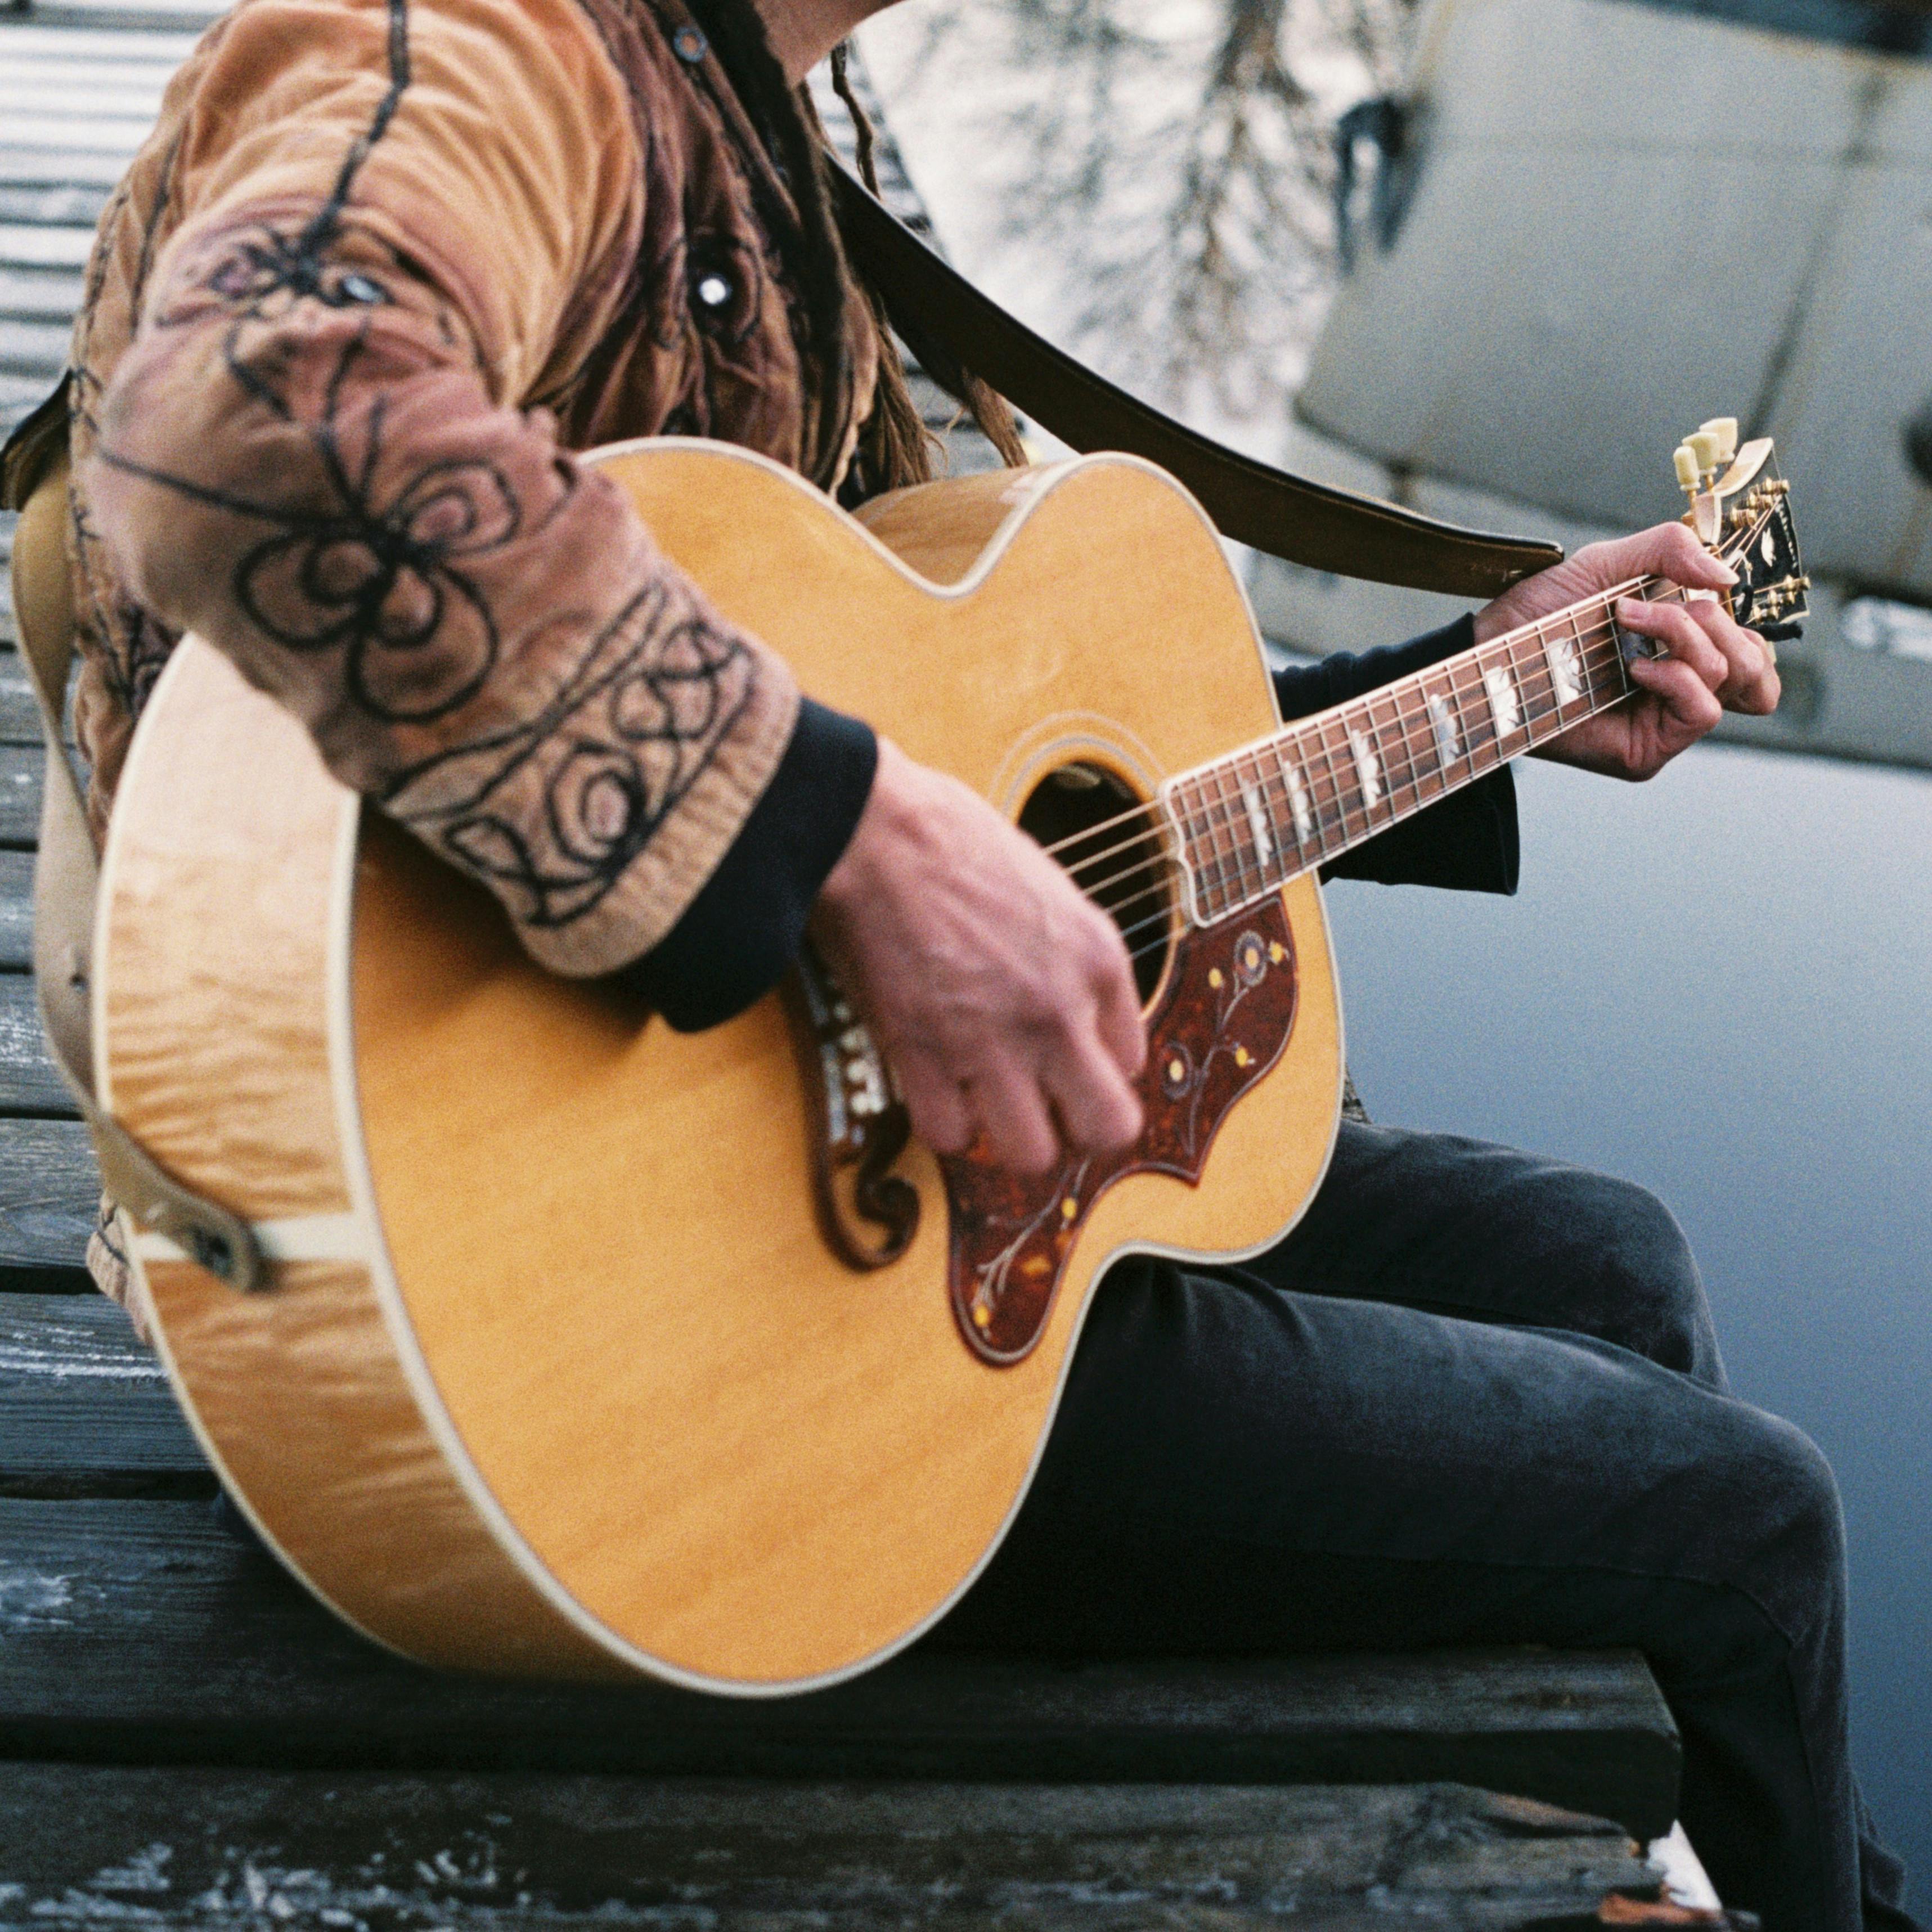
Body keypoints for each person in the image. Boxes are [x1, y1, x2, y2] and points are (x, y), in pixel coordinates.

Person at [0, 0, 1915, 1920]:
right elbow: (257, 414)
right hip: (649, 1321)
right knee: (1754, 1525)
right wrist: (843, 834)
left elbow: (965, 750)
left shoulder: (732, 106)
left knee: (1610, 1259)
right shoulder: (491, 53)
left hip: (805, 1175)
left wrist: (1485, 680)